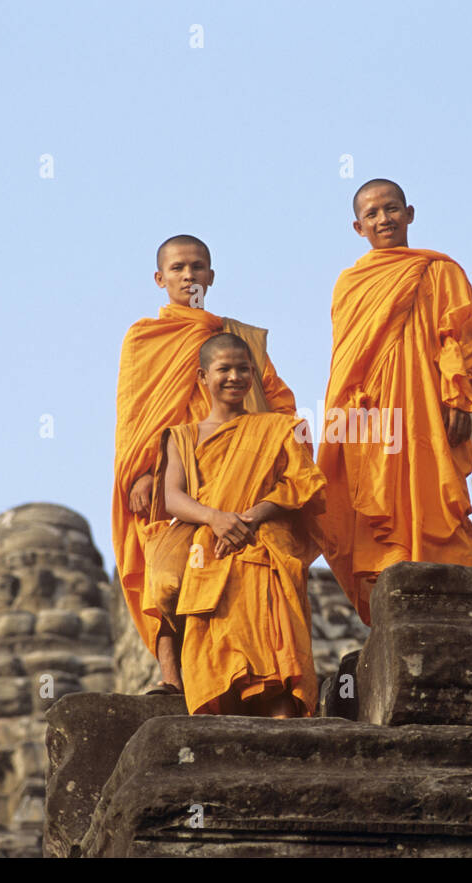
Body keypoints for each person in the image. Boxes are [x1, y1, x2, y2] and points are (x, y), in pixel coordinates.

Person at [112, 235, 296, 694]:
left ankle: (252, 684)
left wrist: (283, 446)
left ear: (212, 276)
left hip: (241, 472)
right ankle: (171, 678)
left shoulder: (238, 340)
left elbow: (276, 397)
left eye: (197, 267)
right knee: (168, 574)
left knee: (241, 573)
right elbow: (135, 413)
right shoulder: (144, 339)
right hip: (175, 472)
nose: (188, 276)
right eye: (177, 268)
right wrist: (141, 470)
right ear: (160, 279)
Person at [317, 178, 472, 624]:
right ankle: (392, 612)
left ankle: (447, 597)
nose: (384, 219)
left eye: (391, 209)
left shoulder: (439, 271)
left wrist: (461, 399)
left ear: (410, 213)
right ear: (358, 227)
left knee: (433, 490)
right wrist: (343, 423)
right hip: (370, 417)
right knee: (375, 499)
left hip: (426, 408)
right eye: (372, 214)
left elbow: (460, 339)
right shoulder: (351, 283)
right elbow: (346, 359)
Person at [144, 333, 324, 717]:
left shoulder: (278, 428)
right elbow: (172, 497)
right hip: (207, 542)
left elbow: (301, 483)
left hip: (261, 539)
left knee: (271, 644)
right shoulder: (182, 436)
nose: (235, 377)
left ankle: (283, 725)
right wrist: (216, 518)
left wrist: (249, 518)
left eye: (243, 369)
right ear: (202, 377)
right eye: (224, 369)